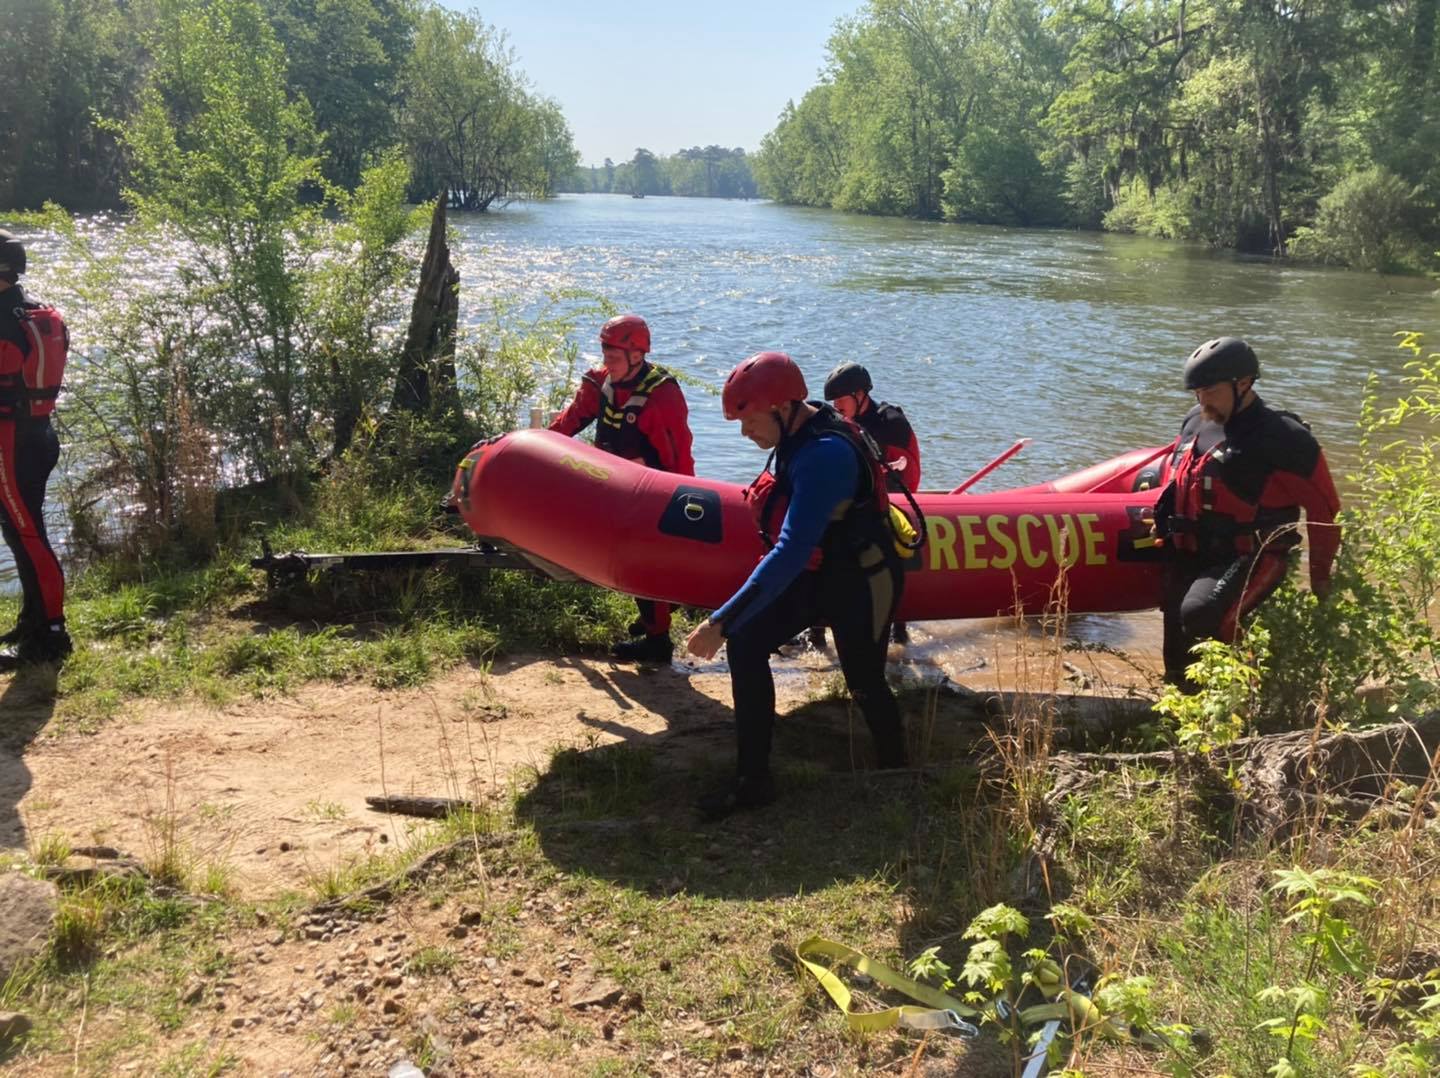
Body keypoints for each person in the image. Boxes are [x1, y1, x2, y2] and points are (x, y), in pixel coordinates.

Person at [685, 352, 906, 819]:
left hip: (863, 576)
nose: (745, 433)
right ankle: (752, 782)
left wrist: (720, 620)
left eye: (749, 420)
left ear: (783, 407)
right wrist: (734, 626)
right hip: (821, 570)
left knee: (864, 680)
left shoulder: (825, 454)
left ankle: (898, 771)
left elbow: (789, 551)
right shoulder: (796, 434)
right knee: (746, 645)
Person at [1152, 337, 1340, 690]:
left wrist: (1320, 578)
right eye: (1196, 391)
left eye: (1210, 390)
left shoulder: (1285, 437)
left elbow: (1324, 512)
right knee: (1177, 653)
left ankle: (1248, 702)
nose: (1201, 400)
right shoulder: (1195, 421)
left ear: (1244, 383)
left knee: (1201, 615)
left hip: (1250, 554)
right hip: (1193, 549)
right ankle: (1185, 723)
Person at [548, 313, 695, 662]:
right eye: (605, 355)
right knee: (622, 555)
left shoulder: (662, 397)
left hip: (655, 492)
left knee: (642, 558)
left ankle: (658, 641)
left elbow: (679, 460)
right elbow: (569, 422)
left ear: (637, 355)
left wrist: (683, 508)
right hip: (615, 488)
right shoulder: (601, 383)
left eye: (613, 356)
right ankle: (655, 615)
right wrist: (536, 444)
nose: (606, 363)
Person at [0, 229, 71, 670]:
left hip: (10, 444)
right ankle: (34, 621)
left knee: (28, 536)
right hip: (40, 436)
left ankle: (50, 634)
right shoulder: (39, 313)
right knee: (22, 532)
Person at [821, 361, 921, 644]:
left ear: (860, 395)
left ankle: (899, 630)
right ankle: (819, 627)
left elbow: (900, 473)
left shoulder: (890, 423)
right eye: (834, 401)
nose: (837, 405)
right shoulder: (843, 420)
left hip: (895, 499)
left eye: (841, 399)